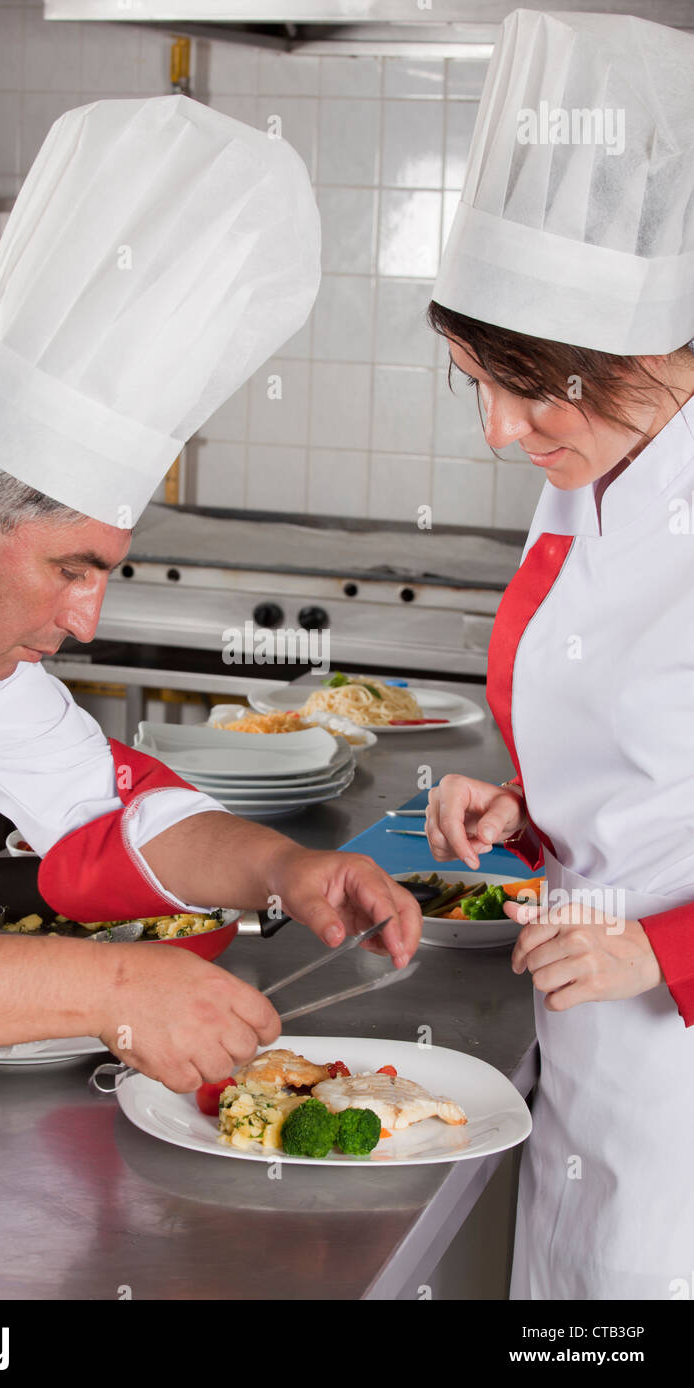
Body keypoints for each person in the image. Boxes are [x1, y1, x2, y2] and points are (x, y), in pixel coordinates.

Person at [0, 96, 419, 1094]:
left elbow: (93, 815)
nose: (87, 621)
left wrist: (280, 869)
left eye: (102, 572)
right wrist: (110, 981)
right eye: (69, 569)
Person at [424, 8, 694, 1299]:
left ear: (635, 356)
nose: (496, 429)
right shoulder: (586, 464)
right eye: (475, 380)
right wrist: (530, 811)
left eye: (522, 386)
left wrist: (669, 949)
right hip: (583, 1058)